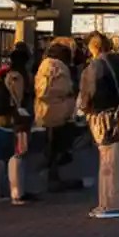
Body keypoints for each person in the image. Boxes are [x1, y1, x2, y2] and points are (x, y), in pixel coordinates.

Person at [77, 31, 119, 219]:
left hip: (101, 116)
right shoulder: (113, 64)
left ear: (93, 47)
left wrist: (84, 108)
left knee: (107, 161)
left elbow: (88, 93)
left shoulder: (95, 66)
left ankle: (109, 203)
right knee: (110, 158)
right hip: (113, 114)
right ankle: (106, 203)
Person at [0, 43, 37, 205]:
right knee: (17, 154)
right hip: (14, 121)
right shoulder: (19, 76)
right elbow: (19, 100)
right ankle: (17, 193)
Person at [34, 37, 82, 193]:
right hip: (55, 114)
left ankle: (51, 174)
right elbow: (51, 90)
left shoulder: (47, 66)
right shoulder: (56, 67)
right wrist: (67, 93)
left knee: (57, 145)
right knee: (58, 145)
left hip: (51, 112)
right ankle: (50, 175)